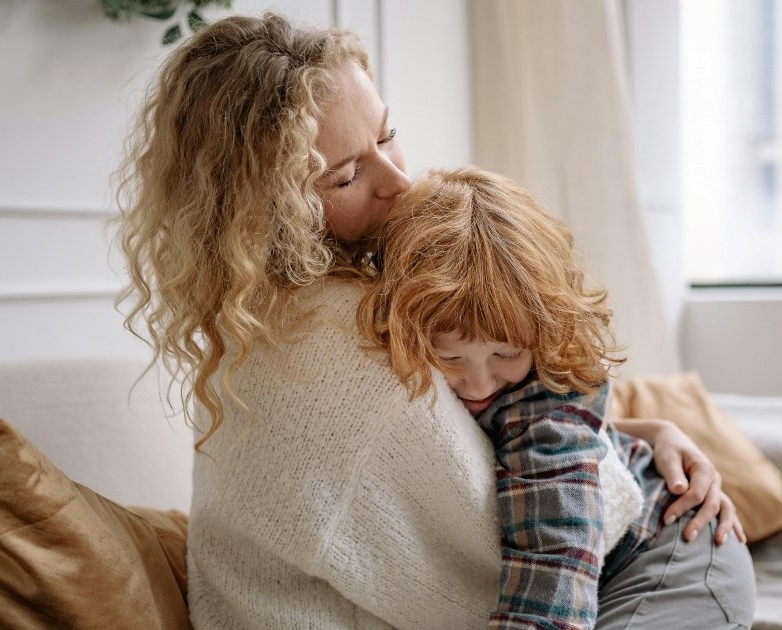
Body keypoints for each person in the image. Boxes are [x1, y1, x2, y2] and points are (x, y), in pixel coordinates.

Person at [115, 13, 744, 629]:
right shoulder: (321, 335)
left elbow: (549, 518)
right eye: (346, 175)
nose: (399, 181)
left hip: (662, 548)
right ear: (265, 208)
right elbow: (483, 542)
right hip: (629, 549)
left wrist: (637, 430)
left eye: (386, 136)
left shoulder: (386, 275)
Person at [357, 166, 756, 629]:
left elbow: (554, 552)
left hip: (674, 558)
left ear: (542, 332)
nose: (480, 384)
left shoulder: (549, 413)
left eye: (504, 354)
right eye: (450, 358)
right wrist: (657, 429)